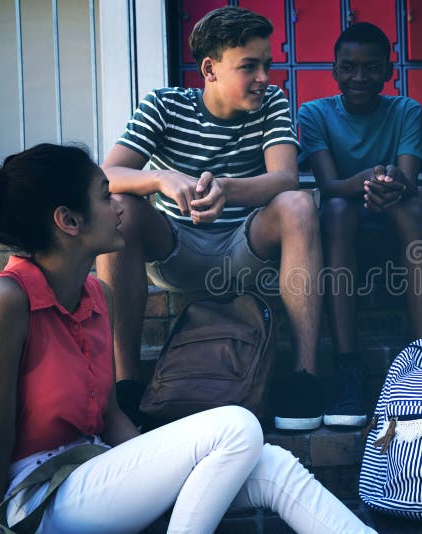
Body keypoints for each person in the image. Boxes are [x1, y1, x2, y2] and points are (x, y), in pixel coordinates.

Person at [0, 143, 376, 534]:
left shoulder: (98, 296)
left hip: (97, 471)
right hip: (40, 494)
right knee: (237, 426)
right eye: (104, 197)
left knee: (270, 465)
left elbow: (110, 416)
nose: (118, 207)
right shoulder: (6, 299)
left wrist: (160, 471)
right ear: (68, 221)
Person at [96, 6, 326, 431]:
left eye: (267, 65)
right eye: (249, 66)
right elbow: (105, 176)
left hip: (243, 246)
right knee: (121, 207)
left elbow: (285, 178)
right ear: (210, 69)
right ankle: (125, 385)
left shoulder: (272, 102)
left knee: (298, 204)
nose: (264, 78)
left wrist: (226, 188)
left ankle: (305, 377)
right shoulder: (163, 105)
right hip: (175, 247)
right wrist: (161, 178)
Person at [298, 22, 422, 427]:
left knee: (412, 208)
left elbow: (408, 180)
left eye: (372, 67)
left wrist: (389, 181)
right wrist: (369, 181)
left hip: (396, 231)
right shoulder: (314, 113)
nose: (359, 77)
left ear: (389, 71)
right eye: (349, 67)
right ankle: (347, 366)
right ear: (334, 70)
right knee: (338, 209)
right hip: (342, 236)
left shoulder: (405, 109)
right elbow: (328, 185)